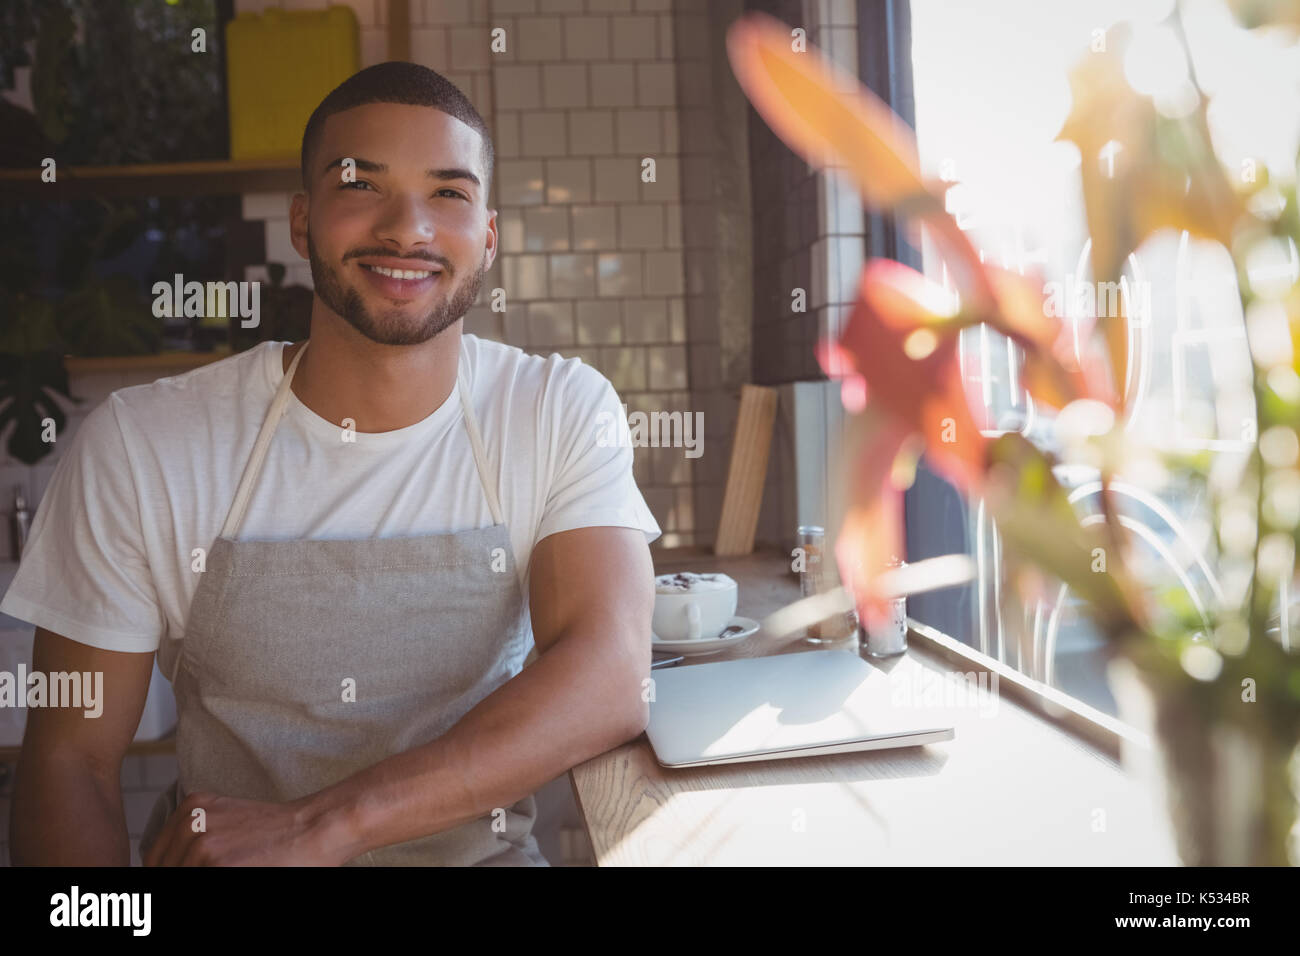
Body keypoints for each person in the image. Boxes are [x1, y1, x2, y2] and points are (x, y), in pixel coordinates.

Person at [4, 61, 661, 866]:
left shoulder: (557, 410)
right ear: (304, 222)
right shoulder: (145, 445)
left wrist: (320, 826)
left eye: (449, 193)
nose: (408, 228)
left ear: (487, 236)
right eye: (362, 185)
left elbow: (611, 676)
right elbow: (71, 762)